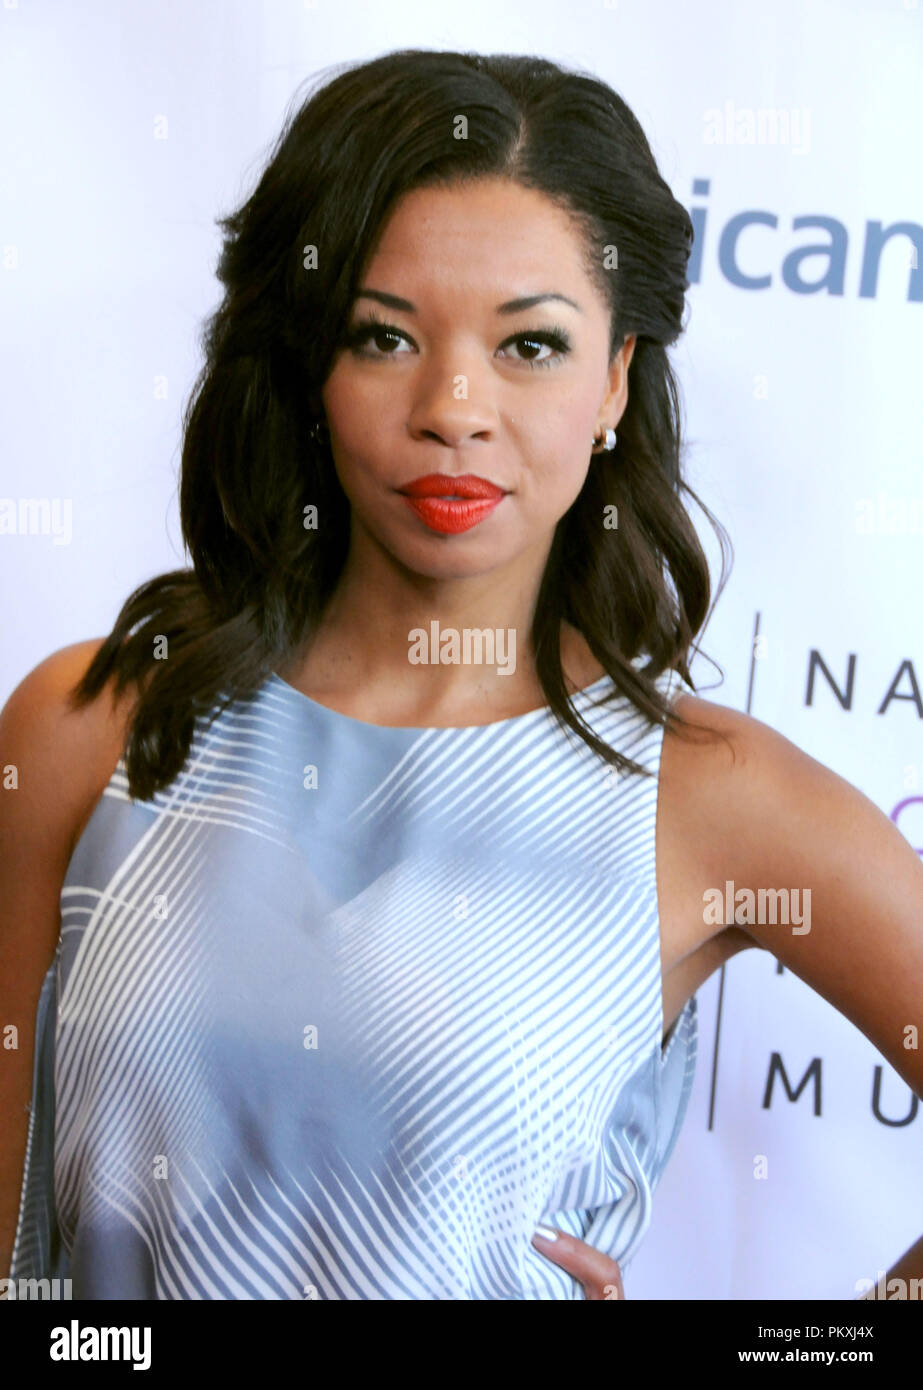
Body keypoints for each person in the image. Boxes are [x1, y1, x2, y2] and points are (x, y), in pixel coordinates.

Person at [1, 48, 921, 1301]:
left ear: (613, 379)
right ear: (308, 367)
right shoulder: (91, 724)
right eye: (383, 335)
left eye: (529, 346)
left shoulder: (706, 799)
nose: (453, 405)